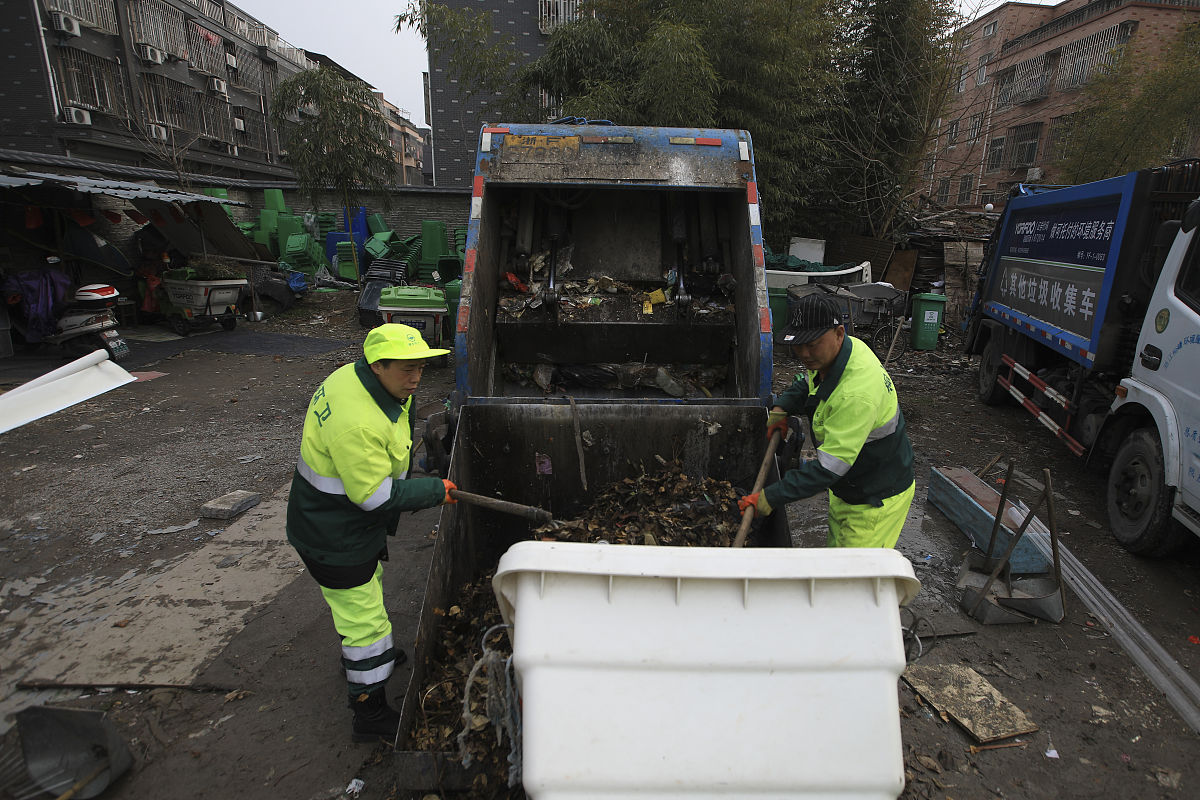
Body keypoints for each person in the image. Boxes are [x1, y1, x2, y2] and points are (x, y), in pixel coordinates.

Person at [286, 323, 457, 742]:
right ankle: (369, 711)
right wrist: (435, 490)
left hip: (343, 525)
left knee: (367, 595)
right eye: (406, 370)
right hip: (333, 534)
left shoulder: (353, 378)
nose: (416, 379)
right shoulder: (358, 422)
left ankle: (371, 660)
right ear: (378, 366)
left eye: (421, 368)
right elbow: (374, 495)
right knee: (365, 626)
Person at [739, 293, 915, 548]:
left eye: (813, 344)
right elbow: (809, 383)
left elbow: (827, 469)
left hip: (874, 500)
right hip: (850, 486)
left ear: (839, 333)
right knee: (834, 564)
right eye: (798, 345)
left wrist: (770, 497)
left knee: (851, 583)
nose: (805, 354)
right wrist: (782, 407)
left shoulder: (856, 394)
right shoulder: (838, 355)